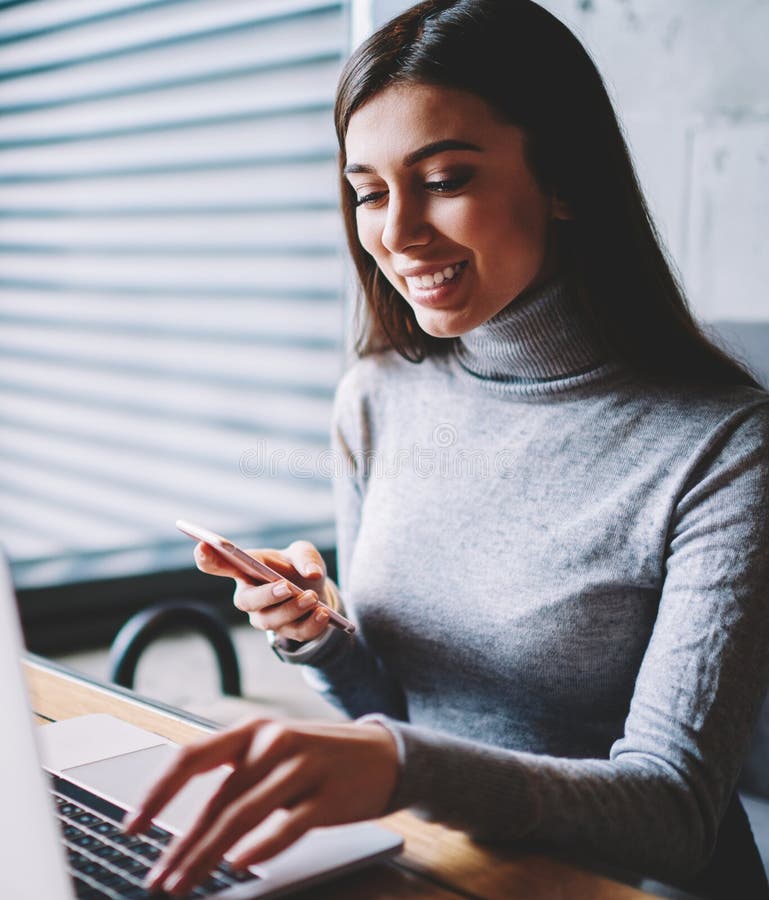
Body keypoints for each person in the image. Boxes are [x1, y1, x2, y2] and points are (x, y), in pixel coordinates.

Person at [125, 2, 769, 897]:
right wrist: (324, 645)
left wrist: (398, 768)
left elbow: (674, 812)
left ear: (563, 178)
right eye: (369, 191)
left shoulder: (722, 446)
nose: (396, 233)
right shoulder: (376, 396)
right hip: (446, 866)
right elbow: (404, 720)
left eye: (444, 177)